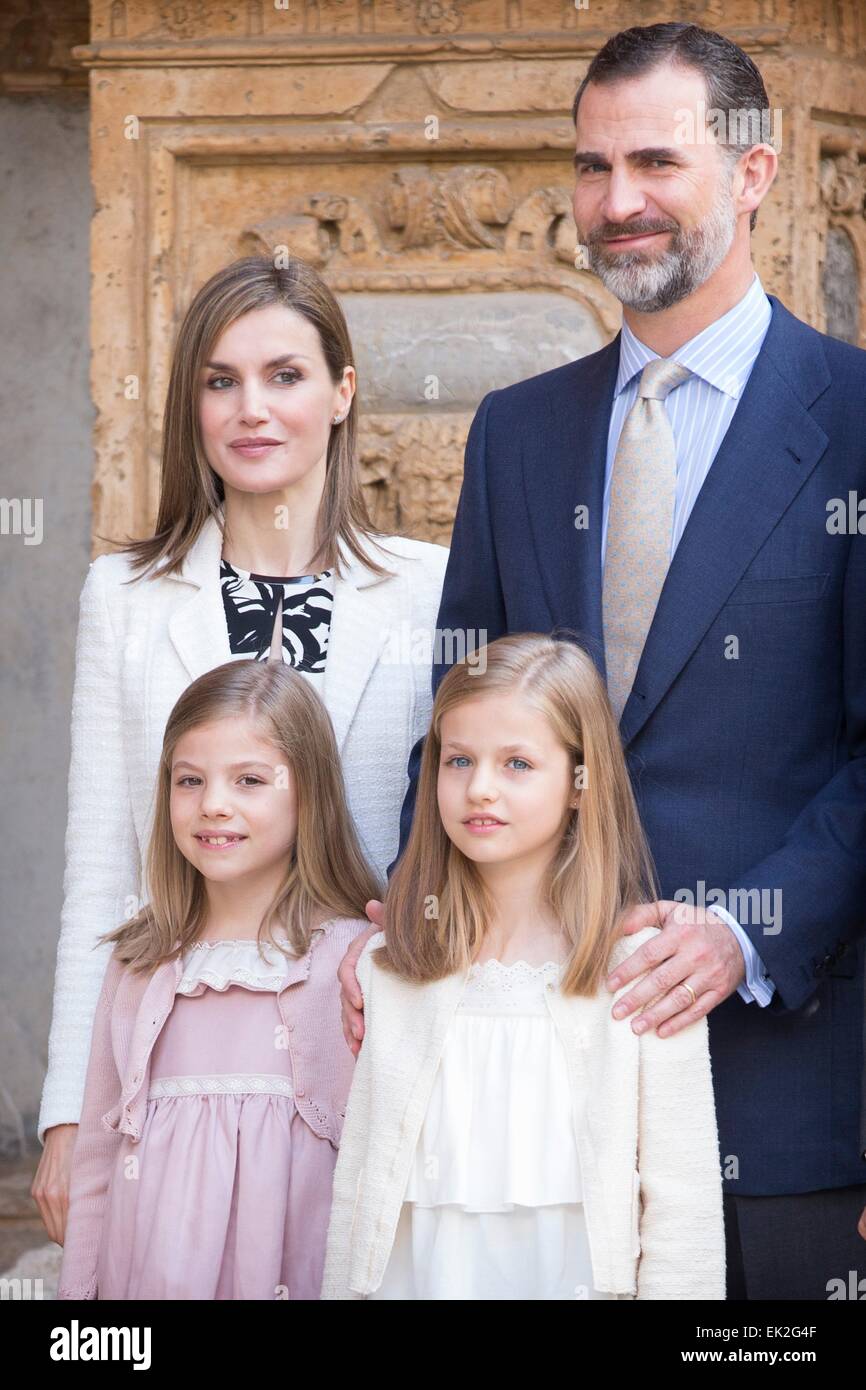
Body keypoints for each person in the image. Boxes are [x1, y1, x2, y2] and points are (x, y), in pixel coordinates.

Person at [339, 22, 866, 1300]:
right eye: (589, 167)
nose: (614, 203)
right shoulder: (518, 433)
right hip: (524, 1100)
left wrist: (744, 939)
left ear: (752, 171)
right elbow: (457, 709)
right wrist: (415, 903)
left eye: (653, 162)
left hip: (777, 1088)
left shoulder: (854, 423)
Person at [34, 254, 448, 1247]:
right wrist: (65, 1110)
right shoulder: (125, 597)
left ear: (342, 393)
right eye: (220, 381)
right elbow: (102, 865)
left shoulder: (431, 588)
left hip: (369, 1038)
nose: (250, 409)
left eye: (284, 376)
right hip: (174, 1057)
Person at [322, 634, 725, 1300]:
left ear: (579, 782)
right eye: (459, 760)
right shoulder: (390, 972)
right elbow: (358, 1192)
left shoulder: (644, 972)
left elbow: (684, 1218)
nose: (479, 788)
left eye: (516, 764)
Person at [57, 659, 375, 1299]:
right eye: (190, 780)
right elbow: (94, 1156)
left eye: (250, 780)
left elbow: (375, 1167)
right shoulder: (139, 963)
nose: (214, 806)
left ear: (308, 793)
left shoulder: (351, 963)